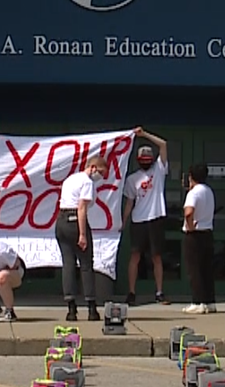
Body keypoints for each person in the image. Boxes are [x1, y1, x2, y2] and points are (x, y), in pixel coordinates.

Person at [55, 155, 109, 322]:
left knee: (68, 264)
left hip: (61, 221)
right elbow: (81, 208)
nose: (100, 176)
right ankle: (91, 308)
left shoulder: (71, 179)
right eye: (100, 172)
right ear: (92, 167)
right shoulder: (86, 182)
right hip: (74, 221)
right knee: (85, 264)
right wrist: (82, 234)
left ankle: (71, 308)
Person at [122, 126, 170, 306]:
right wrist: (123, 221)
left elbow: (163, 144)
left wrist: (144, 135)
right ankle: (131, 292)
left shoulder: (159, 170)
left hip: (156, 217)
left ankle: (159, 292)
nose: (146, 161)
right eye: (142, 159)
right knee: (135, 256)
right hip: (138, 221)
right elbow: (129, 203)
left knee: (156, 257)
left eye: (148, 158)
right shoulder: (132, 179)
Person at [182, 163, 217, 315]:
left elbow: (189, 212)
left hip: (195, 234)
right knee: (206, 269)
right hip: (207, 233)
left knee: (194, 269)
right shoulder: (208, 191)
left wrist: (190, 226)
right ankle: (209, 302)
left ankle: (197, 302)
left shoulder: (194, 193)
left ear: (191, 176)